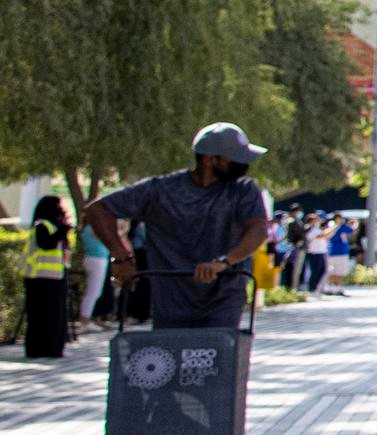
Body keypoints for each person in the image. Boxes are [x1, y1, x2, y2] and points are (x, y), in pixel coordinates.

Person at [88, 124, 274, 333]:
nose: (244, 164)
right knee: (171, 360)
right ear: (209, 160)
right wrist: (121, 257)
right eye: (236, 158)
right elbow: (98, 210)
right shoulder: (161, 190)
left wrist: (225, 261)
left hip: (224, 296)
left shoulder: (243, 190)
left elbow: (258, 229)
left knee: (216, 356)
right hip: (171, 300)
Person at [22, 195, 75, 359]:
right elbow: (46, 244)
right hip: (40, 279)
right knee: (40, 316)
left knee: (54, 315)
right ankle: (39, 348)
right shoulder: (42, 226)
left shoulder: (53, 226)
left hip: (54, 278)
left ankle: (53, 347)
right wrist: (62, 231)